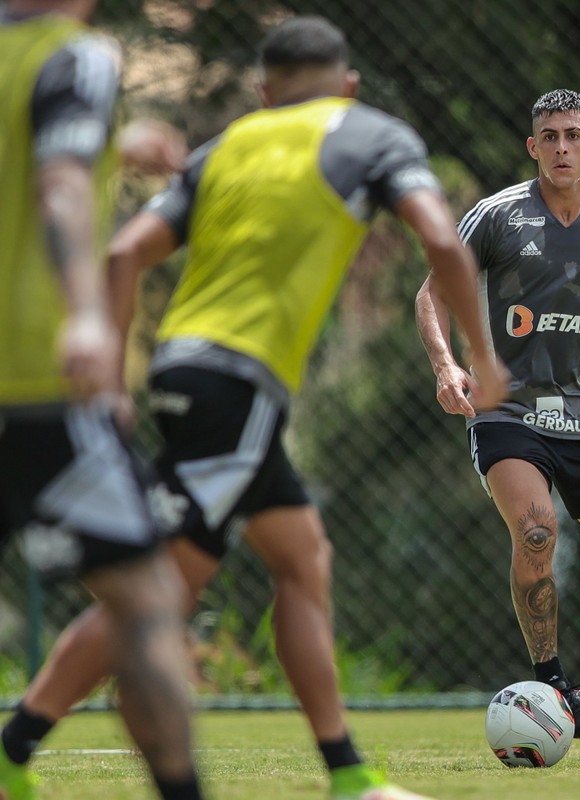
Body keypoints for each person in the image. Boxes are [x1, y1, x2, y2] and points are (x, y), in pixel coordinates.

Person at [0, 15, 507, 800]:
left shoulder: (227, 145)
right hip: (237, 385)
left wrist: (117, 366)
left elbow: (124, 252)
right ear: (348, 84)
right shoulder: (373, 134)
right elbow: (442, 238)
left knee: (302, 559)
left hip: (187, 370)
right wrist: (482, 353)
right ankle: (14, 746)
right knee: (155, 586)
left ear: (266, 91)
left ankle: (348, 774)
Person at [415, 88, 580, 767]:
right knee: (536, 529)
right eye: (549, 136)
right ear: (533, 147)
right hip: (507, 410)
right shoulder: (496, 218)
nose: (561, 146)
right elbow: (431, 295)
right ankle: (553, 687)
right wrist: (446, 367)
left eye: (573, 135)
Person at [0, 1, 204, 799]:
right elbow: (56, 182)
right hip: (39, 382)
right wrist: (87, 313)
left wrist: (117, 145)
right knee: (145, 602)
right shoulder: (77, 56)